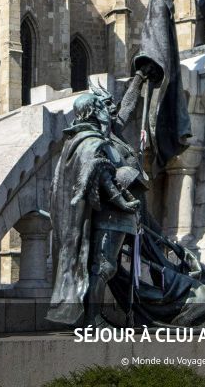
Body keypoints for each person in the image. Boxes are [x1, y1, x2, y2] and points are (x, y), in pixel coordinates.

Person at [47, 84, 147, 327]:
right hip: (111, 215)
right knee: (104, 267)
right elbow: (99, 173)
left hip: (113, 214)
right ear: (93, 110)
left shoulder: (85, 138)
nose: (107, 110)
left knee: (105, 267)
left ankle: (94, 317)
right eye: (102, 106)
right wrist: (123, 202)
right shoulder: (90, 140)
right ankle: (93, 320)